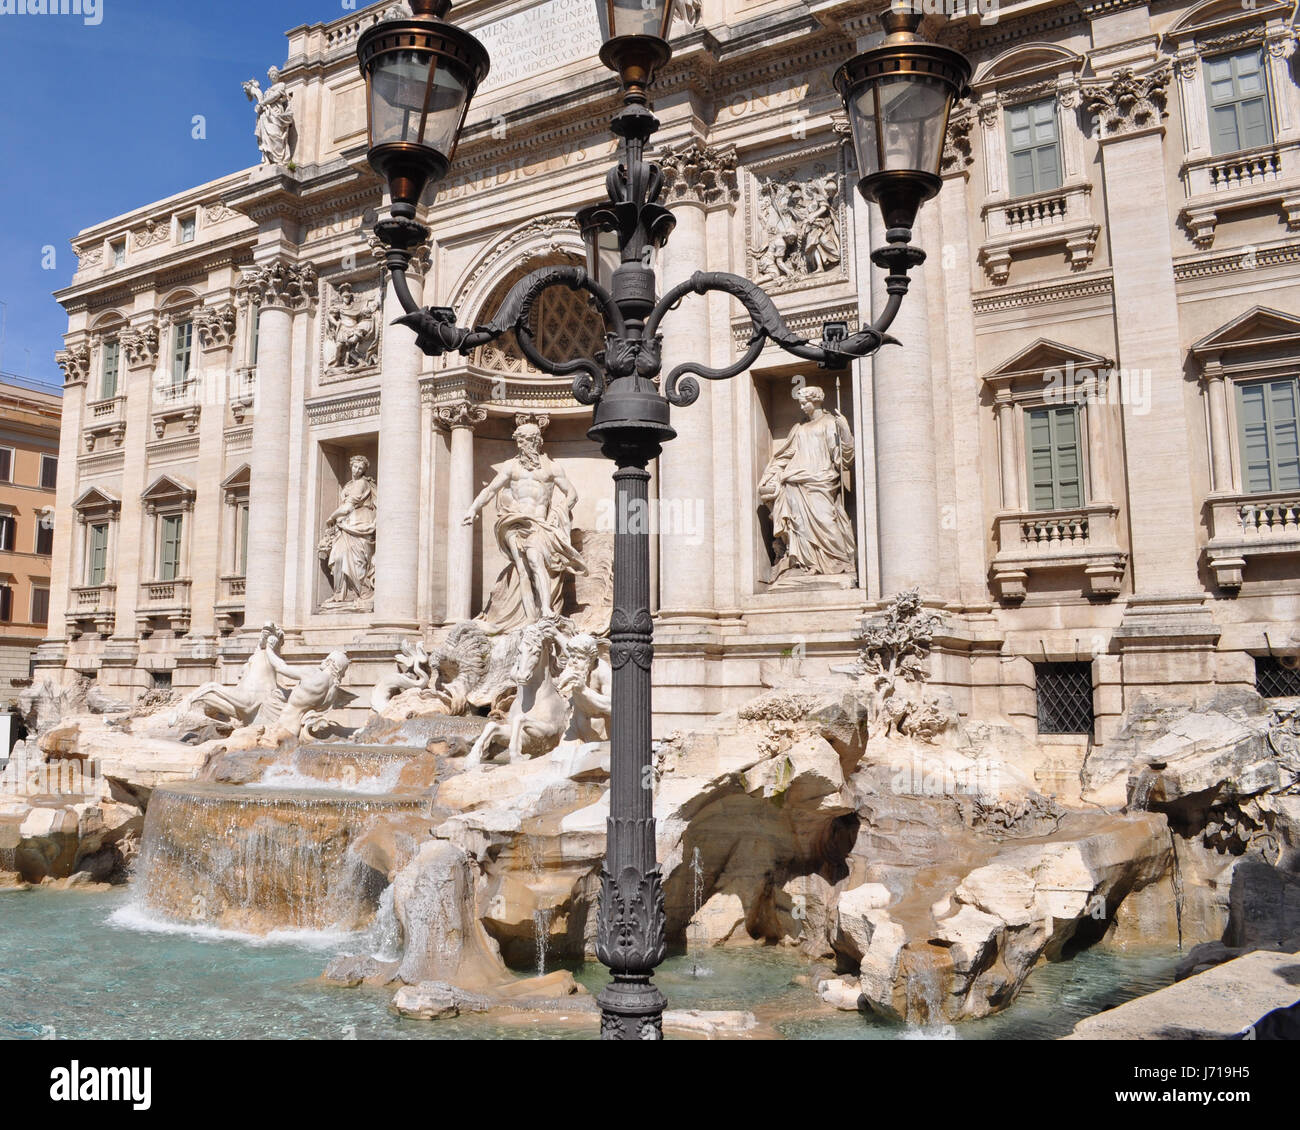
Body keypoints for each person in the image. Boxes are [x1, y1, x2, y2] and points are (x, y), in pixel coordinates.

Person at [463, 421, 586, 630]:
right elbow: (491, 490)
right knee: (522, 567)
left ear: (537, 441)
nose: (522, 445)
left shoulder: (552, 468)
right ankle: (529, 617)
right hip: (513, 521)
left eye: (526, 440)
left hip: (539, 523)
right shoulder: (511, 466)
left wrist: (558, 513)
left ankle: (545, 609)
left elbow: (572, 494)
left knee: (535, 560)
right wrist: (473, 509)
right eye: (519, 440)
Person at [758, 385, 856, 579]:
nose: (802, 407)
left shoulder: (830, 423)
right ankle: (807, 563)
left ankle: (839, 560)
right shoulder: (799, 428)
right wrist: (771, 476)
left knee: (826, 520)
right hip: (795, 482)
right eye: (801, 403)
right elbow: (785, 455)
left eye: (805, 403)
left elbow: (843, 459)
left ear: (816, 401)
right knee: (800, 525)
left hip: (822, 479)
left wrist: (845, 431)